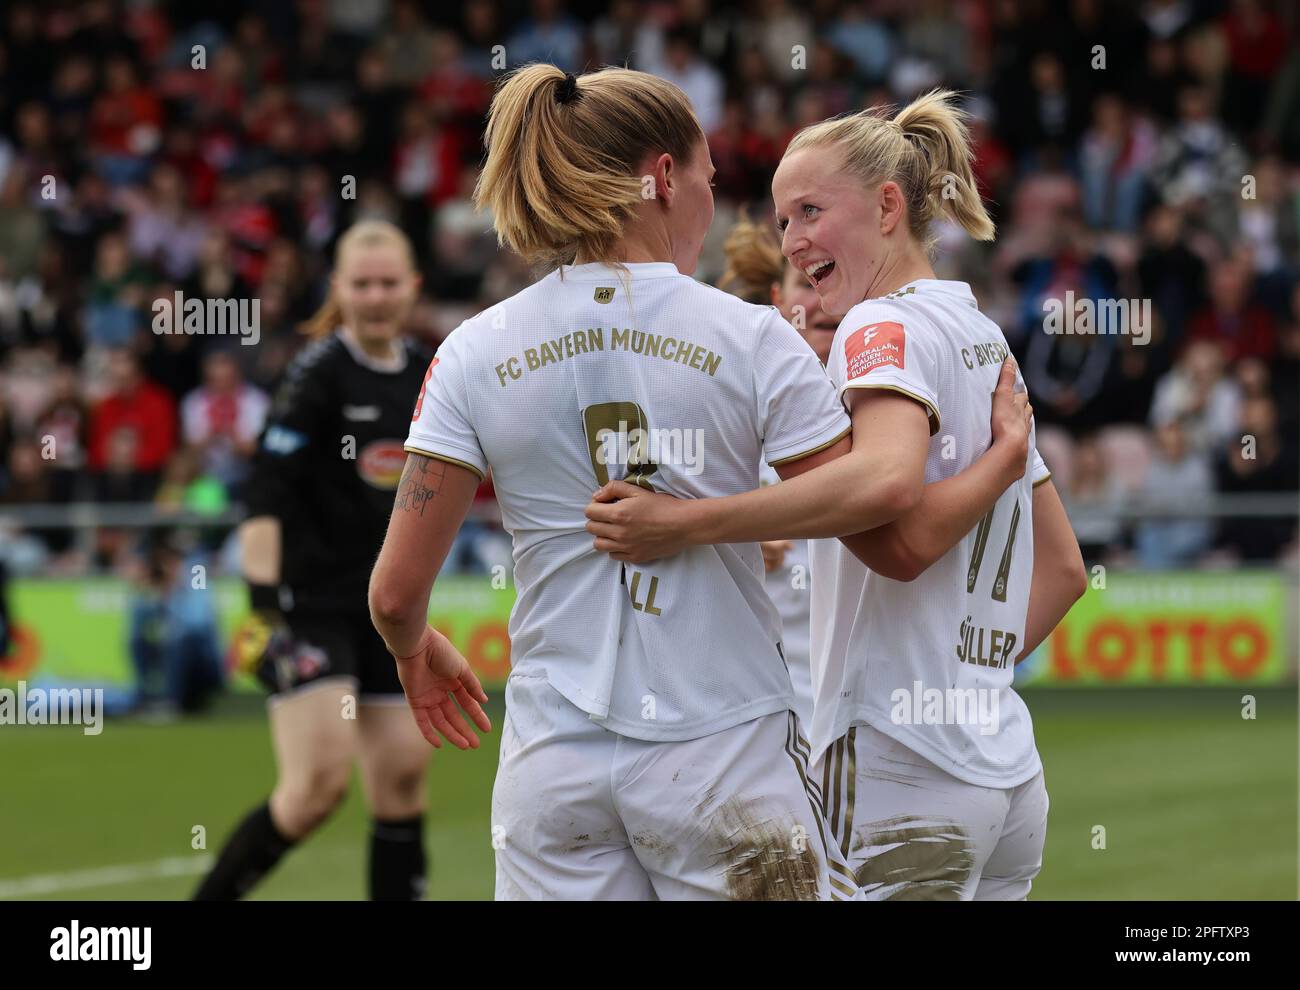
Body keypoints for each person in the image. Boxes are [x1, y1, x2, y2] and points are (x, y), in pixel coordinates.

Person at [586, 90, 1087, 900]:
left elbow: (896, 525)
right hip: (1004, 771)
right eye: (785, 222)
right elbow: (1063, 570)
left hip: (896, 766)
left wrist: (683, 524)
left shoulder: (870, 328)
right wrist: (962, 676)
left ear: (888, 205)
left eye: (812, 211)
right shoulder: (982, 334)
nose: (795, 240)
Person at [193, 220, 445, 901]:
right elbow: (264, 499)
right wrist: (263, 610)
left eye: (389, 282)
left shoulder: (431, 373)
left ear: (412, 287)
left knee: (400, 778)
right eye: (361, 284)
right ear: (338, 290)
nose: (375, 296)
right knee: (316, 789)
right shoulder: (314, 375)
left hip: (388, 609)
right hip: (312, 607)